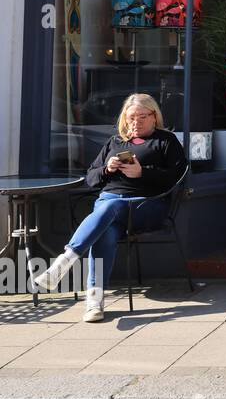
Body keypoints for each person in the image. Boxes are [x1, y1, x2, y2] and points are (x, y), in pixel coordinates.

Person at [33, 94, 187, 321]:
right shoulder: (115, 142)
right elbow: (91, 179)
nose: (136, 122)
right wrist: (107, 168)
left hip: (146, 206)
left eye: (142, 117)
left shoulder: (165, 141)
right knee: (107, 225)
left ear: (154, 117)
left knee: (109, 208)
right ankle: (95, 303)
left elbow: (177, 177)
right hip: (109, 205)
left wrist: (143, 172)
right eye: (131, 117)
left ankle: (65, 260)